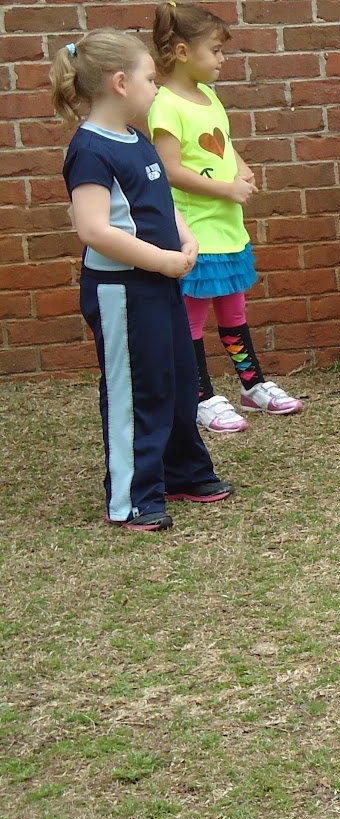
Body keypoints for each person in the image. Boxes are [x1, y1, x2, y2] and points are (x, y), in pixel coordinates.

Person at [53, 30, 236, 532]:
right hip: (123, 292)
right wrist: (159, 259)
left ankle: (183, 472)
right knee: (137, 388)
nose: (156, 88)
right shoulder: (91, 150)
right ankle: (133, 497)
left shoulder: (136, 139)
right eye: (150, 79)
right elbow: (92, 228)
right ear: (119, 83)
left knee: (175, 378)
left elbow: (163, 204)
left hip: (161, 282)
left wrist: (184, 237)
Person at [148, 2, 304, 432]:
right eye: (215, 51)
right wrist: (227, 189)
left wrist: (241, 166)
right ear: (182, 52)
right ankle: (199, 395)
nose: (221, 60)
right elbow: (171, 171)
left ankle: (251, 385)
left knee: (234, 312)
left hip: (227, 230)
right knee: (192, 320)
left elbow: (222, 142)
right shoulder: (165, 106)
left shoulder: (210, 96)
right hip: (196, 233)